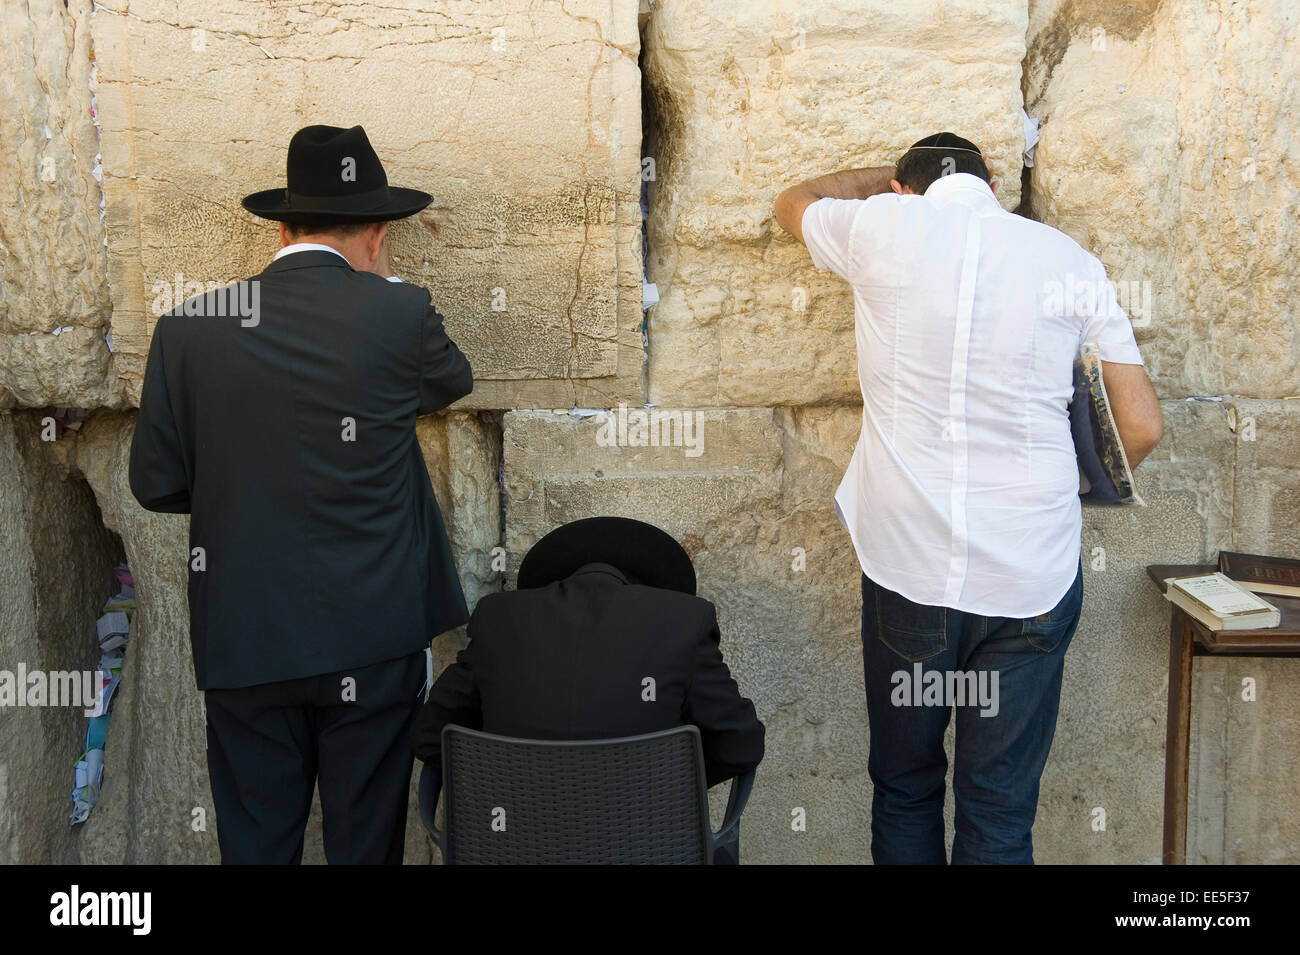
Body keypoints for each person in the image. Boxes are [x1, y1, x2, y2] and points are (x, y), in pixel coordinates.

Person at [773, 132, 1162, 864]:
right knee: (998, 810)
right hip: (1031, 577)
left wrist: (878, 178)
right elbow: (1140, 425)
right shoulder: (1068, 261)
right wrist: (1065, 493)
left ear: (904, 188)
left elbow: (791, 202)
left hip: (910, 572)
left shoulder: (879, 226)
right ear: (993, 189)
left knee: (906, 786)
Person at [129, 124, 474, 864]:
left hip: (246, 638)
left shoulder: (187, 328)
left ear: (280, 227)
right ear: (379, 236)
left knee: (255, 846)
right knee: (366, 846)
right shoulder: (400, 313)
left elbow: (155, 484)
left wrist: (242, 483)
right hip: (374, 636)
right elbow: (451, 379)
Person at [411, 516, 765, 859]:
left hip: (505, 849)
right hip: (650, 847)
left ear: (558, 580)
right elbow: (740, 744)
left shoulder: (496, 618)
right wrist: (664, 779)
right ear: (646, 585)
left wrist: (512, 763)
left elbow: (429, 737)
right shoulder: (685, 619)